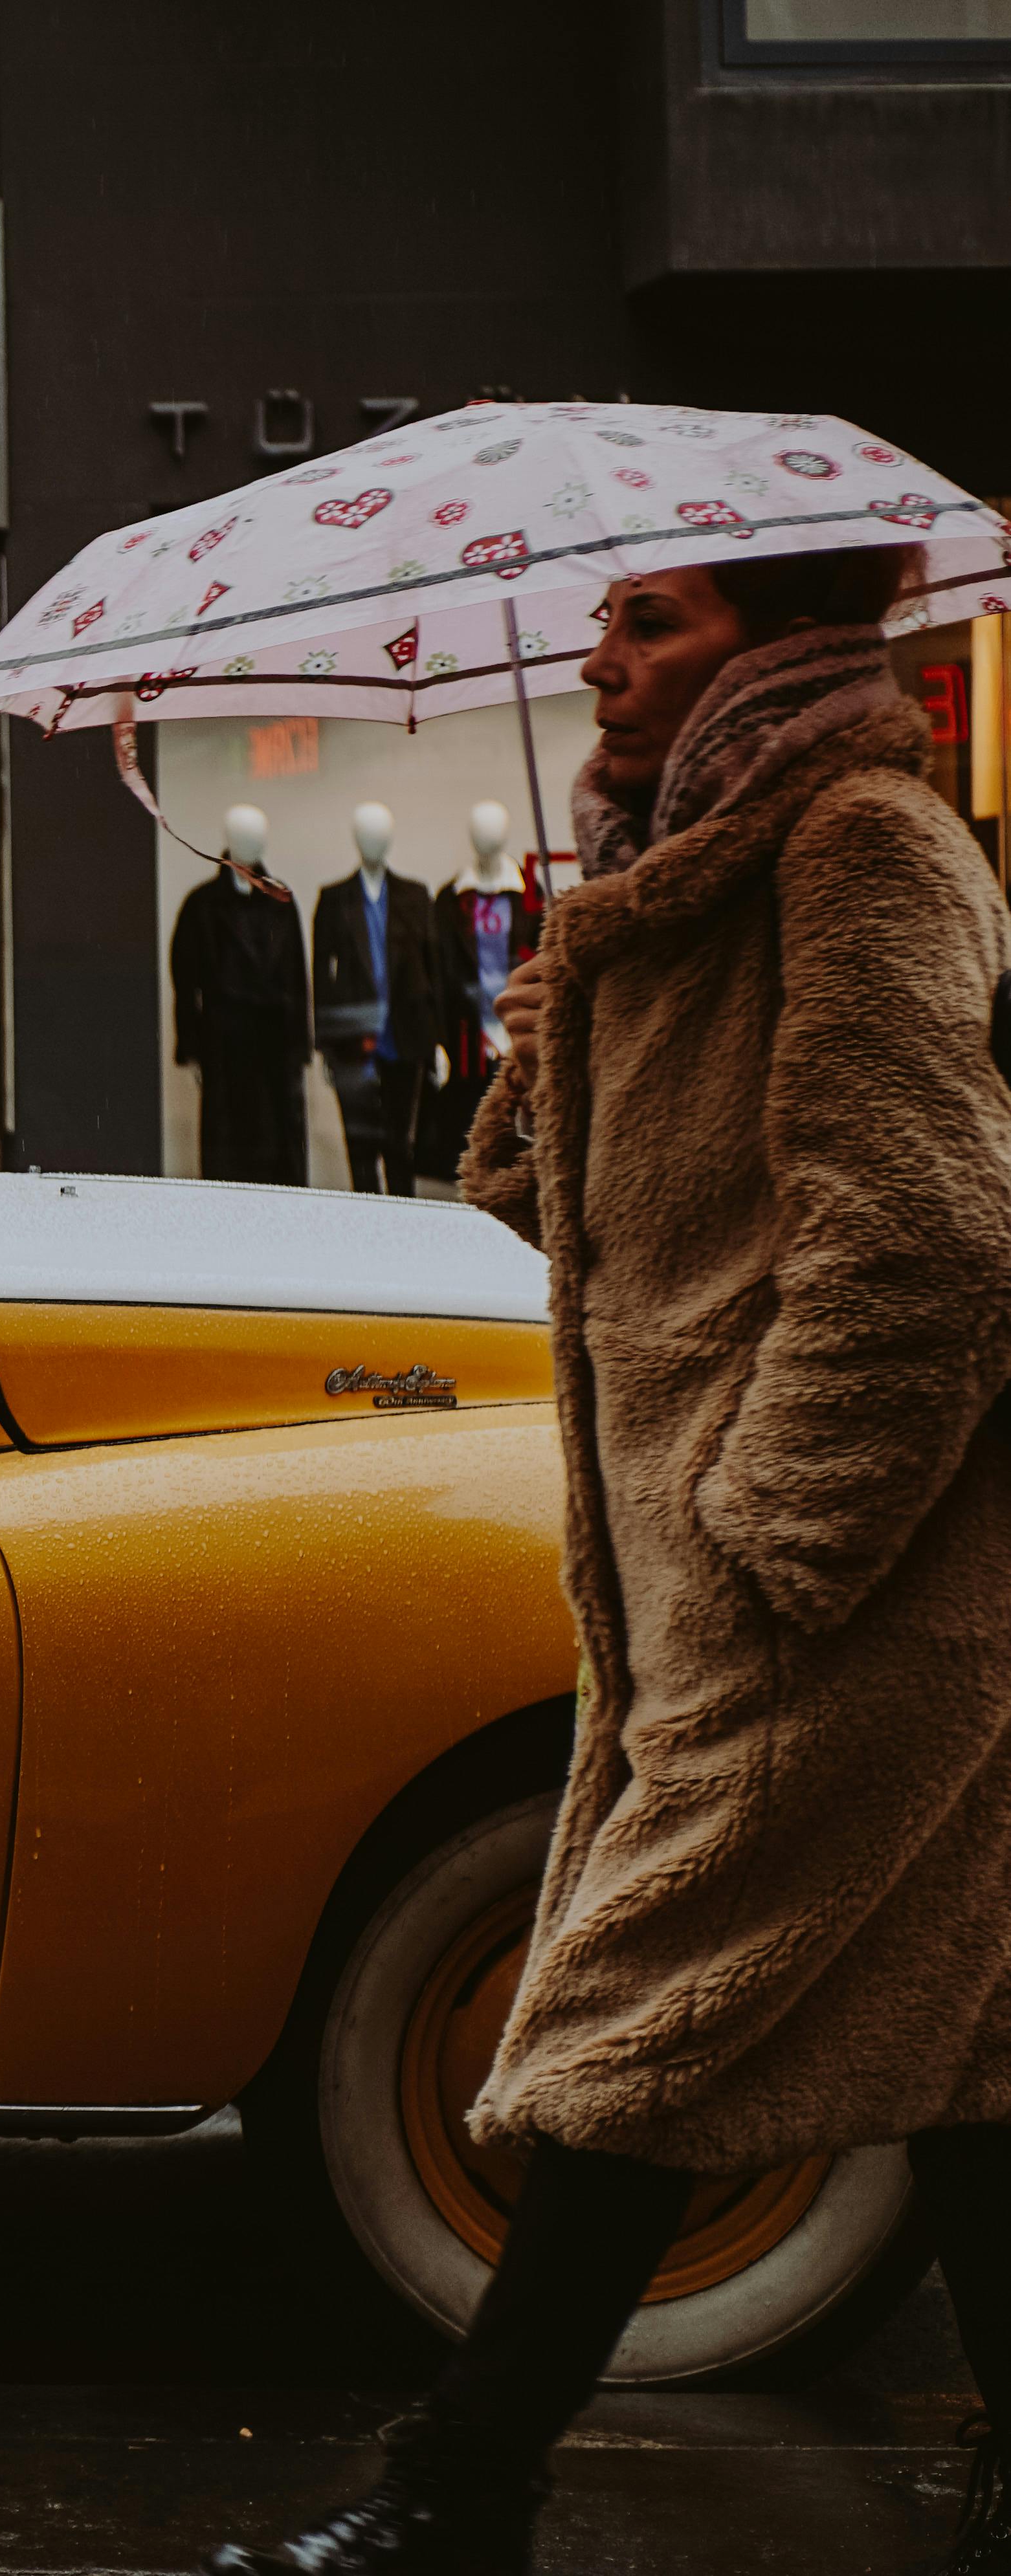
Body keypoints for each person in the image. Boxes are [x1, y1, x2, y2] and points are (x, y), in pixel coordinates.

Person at [208, 544, 1011, 2575]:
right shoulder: (668, 897)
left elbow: (921, 1232)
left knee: (620, 2032)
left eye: (651, 625)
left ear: (784, 634)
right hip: (725, 1585)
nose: (602, 661)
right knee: (955, 2046)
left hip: (844, 1588)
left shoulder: (858, 846)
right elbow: (539, 1203)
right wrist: (549, 1019)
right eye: (607, 628)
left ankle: (447, 2490)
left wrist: (776, 1541)